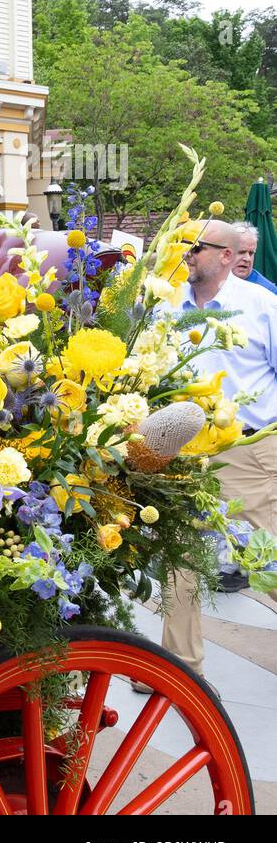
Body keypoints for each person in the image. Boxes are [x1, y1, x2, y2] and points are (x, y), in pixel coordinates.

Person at [154, 220, 277, 682]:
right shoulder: (165, 307)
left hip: (248, 449)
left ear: (226, 255)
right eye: (183, 246)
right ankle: (180, 669)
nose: (186, 254)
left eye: (196, 248)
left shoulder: (262, 307)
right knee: (179, 558)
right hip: (181, 450)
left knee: (267, 559)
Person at [233, 221, 277, 295]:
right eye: (241, 252)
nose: (247, 259)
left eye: (251, 253)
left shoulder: (268, 291)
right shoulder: (211, 282)